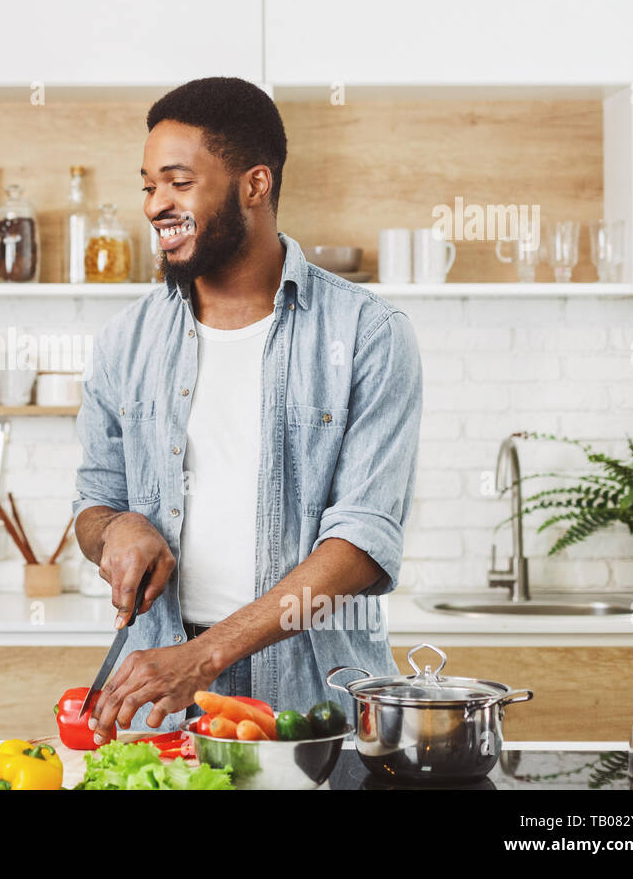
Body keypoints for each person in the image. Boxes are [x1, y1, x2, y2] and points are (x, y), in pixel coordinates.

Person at [73, 77, 422, 743]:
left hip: (315, 701)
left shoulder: (366, 333)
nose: (156, 205)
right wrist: (116, 531)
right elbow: (93, 502)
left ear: (254, 185)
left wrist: (205, 657)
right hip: (162, 698)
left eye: (178, 182)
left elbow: (363, 544)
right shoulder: (126, 340)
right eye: (148, 186)